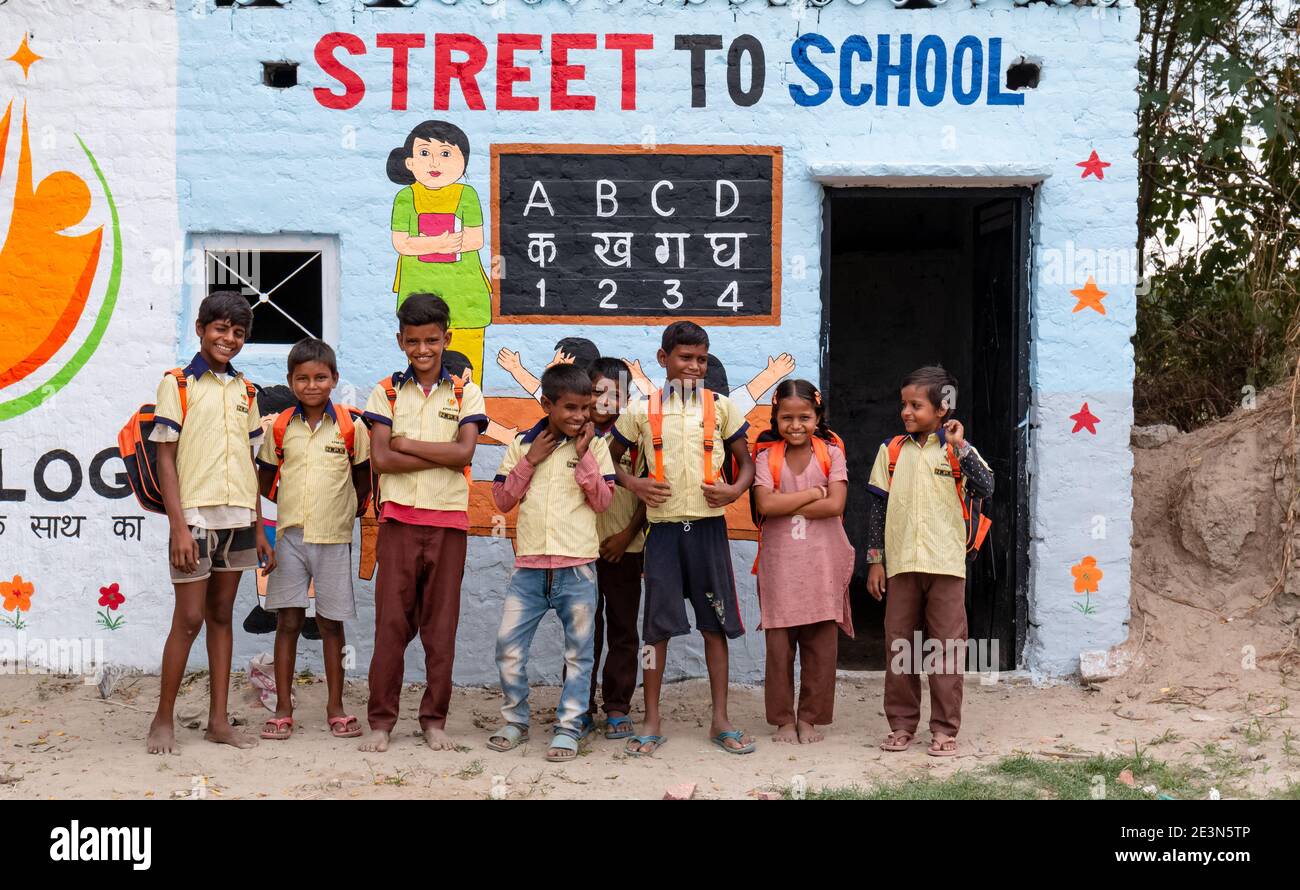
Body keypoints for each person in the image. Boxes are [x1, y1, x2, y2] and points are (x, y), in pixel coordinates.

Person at [608, 321, 756, 756]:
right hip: (664, 533)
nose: (694, 366)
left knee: (715, 625)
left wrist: (734, 490)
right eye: (685, 358)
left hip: (708, 529)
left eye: (701, 359)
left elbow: (746, 465)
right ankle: (652, 721)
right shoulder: (641, 410)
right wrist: (635, 485)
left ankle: (721, 720)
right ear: (663, 359)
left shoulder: (722, 408)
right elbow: (608, 459)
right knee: (657, 630)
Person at [146, 290, 274, 754]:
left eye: (238, 333)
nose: (229, 339)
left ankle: (218, 721)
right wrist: (178, 526)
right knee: (190, 618)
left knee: (222, 616)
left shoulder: (248, 392)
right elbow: (166, 458)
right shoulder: (177, 383)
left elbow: (252, 463)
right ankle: (163, 719)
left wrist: (259, 526)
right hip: (195, 518)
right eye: (220, 329)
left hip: (239, 515)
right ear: (201, 329)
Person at [359, 293, 487, 752]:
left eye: (432, 340)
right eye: (413, 341)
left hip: (449, 525)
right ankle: (381, 721)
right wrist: (437, 455)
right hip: (398, 522)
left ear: (446, 338)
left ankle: (434, 720)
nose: (423, 350)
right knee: (391, 626)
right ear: (400, 341)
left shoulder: (466, 392)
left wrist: (407, 441)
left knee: (440, 627)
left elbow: (464, 454)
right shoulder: (386, 391)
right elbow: (381, 459)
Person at [487, 364, 615, 762]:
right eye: (571, 408)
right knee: (508, 646)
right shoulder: (523, 445)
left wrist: (582, 460)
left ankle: (569, 725)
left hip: (577, 569)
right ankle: (515, 720)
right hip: (528, 570)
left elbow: (603, 502)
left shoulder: (594, 447)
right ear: (546, 404)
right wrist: (531, 460)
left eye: (586, 408)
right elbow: (502, 500)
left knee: (579, 652)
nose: (580, 416)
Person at [866, 366, 995, 757]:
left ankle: (944, 729)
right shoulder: (890, 451)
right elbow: (876, 510)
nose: (906, 411)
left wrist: (960, 446)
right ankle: (902, 725)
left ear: (943, 408)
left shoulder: (956, 451)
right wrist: (876, 561)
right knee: (900, 647)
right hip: (902, 563)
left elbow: (987, 487)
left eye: (916, 405)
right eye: (904, 404)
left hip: (946, 565)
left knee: (946, 650)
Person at [255, 338, 370, 741]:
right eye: (302, 378)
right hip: (289, 537)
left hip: (334, 538)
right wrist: (264, 530)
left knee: (330, 624)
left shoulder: (351, 427)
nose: (311, 385)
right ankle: (284, 709)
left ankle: (336, 707)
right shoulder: (282, 426)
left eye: (320, 377)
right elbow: (265, 481)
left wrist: (346, 513)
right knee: (286, 620)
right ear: (291, 380)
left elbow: (362, 480)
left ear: (334, 379)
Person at [751, 379, 855, 744]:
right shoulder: (767, 457)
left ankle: (809, 717)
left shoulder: (831, 453)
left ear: (818, 416)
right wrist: (813, 492)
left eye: (804, 417)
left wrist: (788, 500)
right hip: (780, 567)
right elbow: (766, 505)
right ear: (775, 419)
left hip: (822, 564)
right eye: (786, 418)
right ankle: (782, 719)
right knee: (779, 648)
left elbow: (836, 505)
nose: (796, 425)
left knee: (820, 647)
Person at [387, 120, 491, 385]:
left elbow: (475, 239)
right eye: (424, 153)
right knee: (423, 361)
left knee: (469, 365)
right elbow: (401, 243)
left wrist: (425, 242)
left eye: (445, 154)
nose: (435, 163)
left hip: (466, 296)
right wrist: (444, 243)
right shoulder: (405, 197)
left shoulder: (466, 195)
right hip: (418, 293)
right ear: (409, 162)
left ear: (463, 163)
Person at [585, 357, 647, 739]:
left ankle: (618, 706)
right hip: (581, 548)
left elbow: (649, 493)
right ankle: (578, 706)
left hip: (627, 547)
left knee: (623, 629)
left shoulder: (637, 438)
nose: (605, 401)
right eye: (597, 392)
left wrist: (626, 536)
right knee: (582, 629)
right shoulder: (574, 433)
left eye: (615, 394)